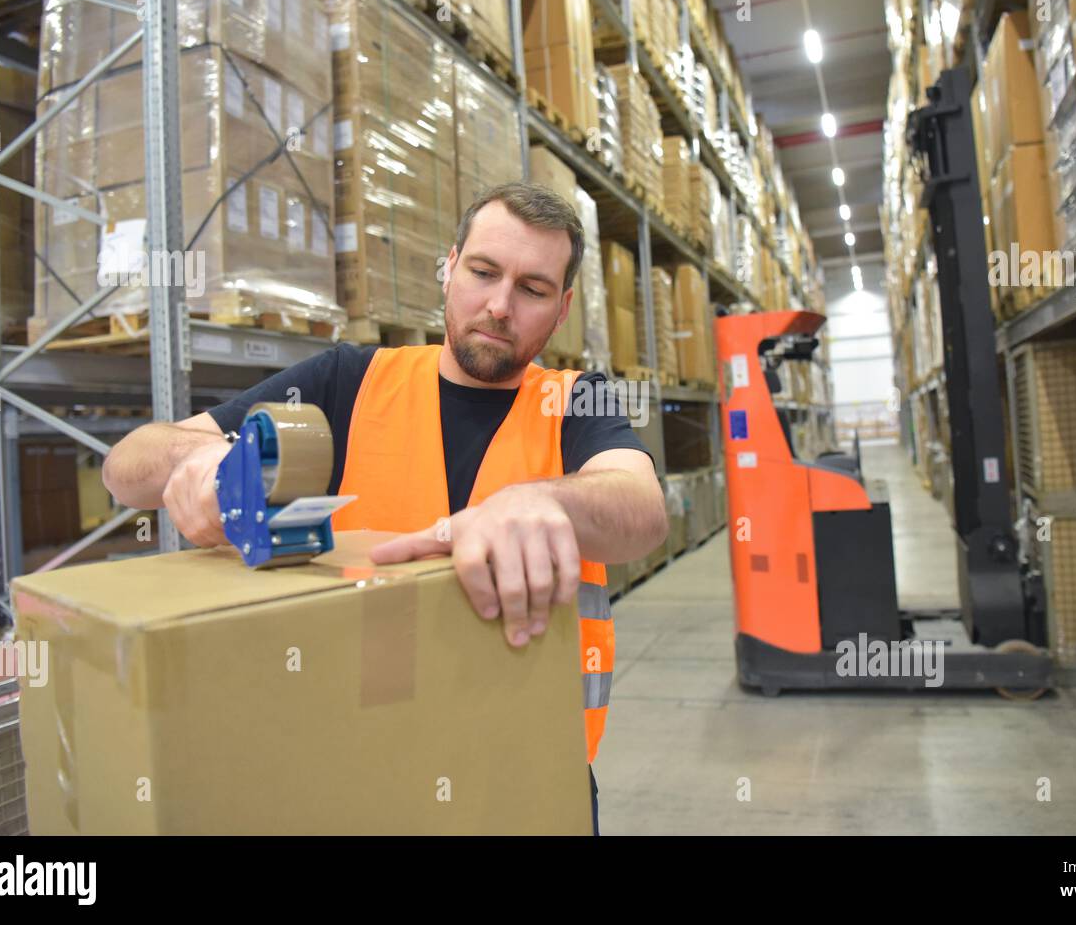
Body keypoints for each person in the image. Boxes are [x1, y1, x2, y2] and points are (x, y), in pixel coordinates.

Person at [102, 182, 669, 835]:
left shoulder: (576, 400)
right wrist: (197, 457)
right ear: (449, 265)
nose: (500, 305)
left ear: (563, 308)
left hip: (532, 771)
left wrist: (539, 497)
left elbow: (640, 506)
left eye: (533, 289)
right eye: (483, 272)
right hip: (364, 767)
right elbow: (127, 465)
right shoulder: (349, 381)